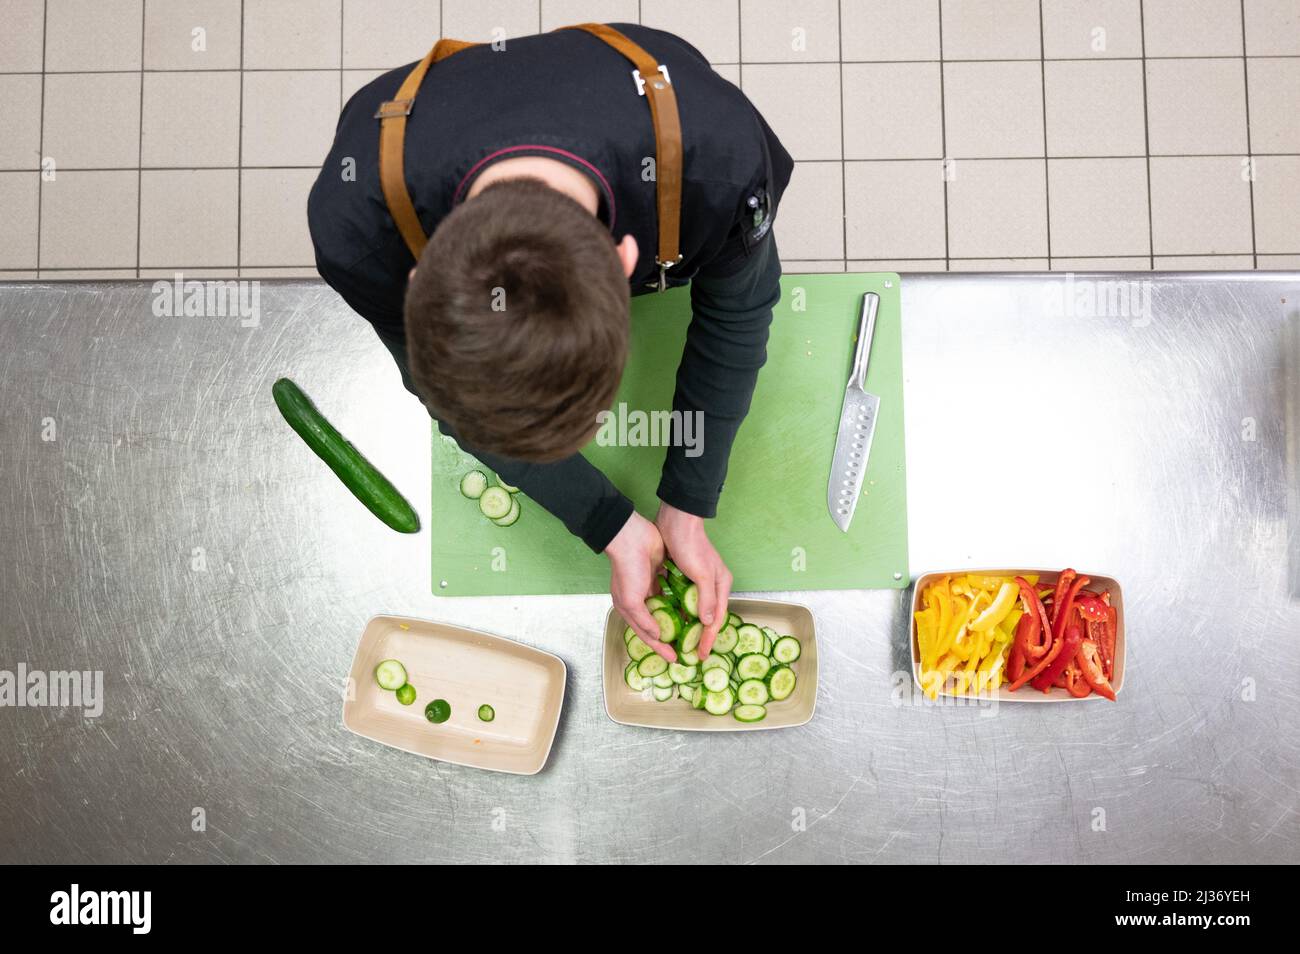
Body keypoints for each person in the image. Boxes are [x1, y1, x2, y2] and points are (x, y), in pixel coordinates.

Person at [307, 23, 793, 660]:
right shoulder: (359, 225)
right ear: (416, 282)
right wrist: (612, 526)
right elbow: (445, 396)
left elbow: (737, 313)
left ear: (627, 265)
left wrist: (688, 501)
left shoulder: (719, 163)